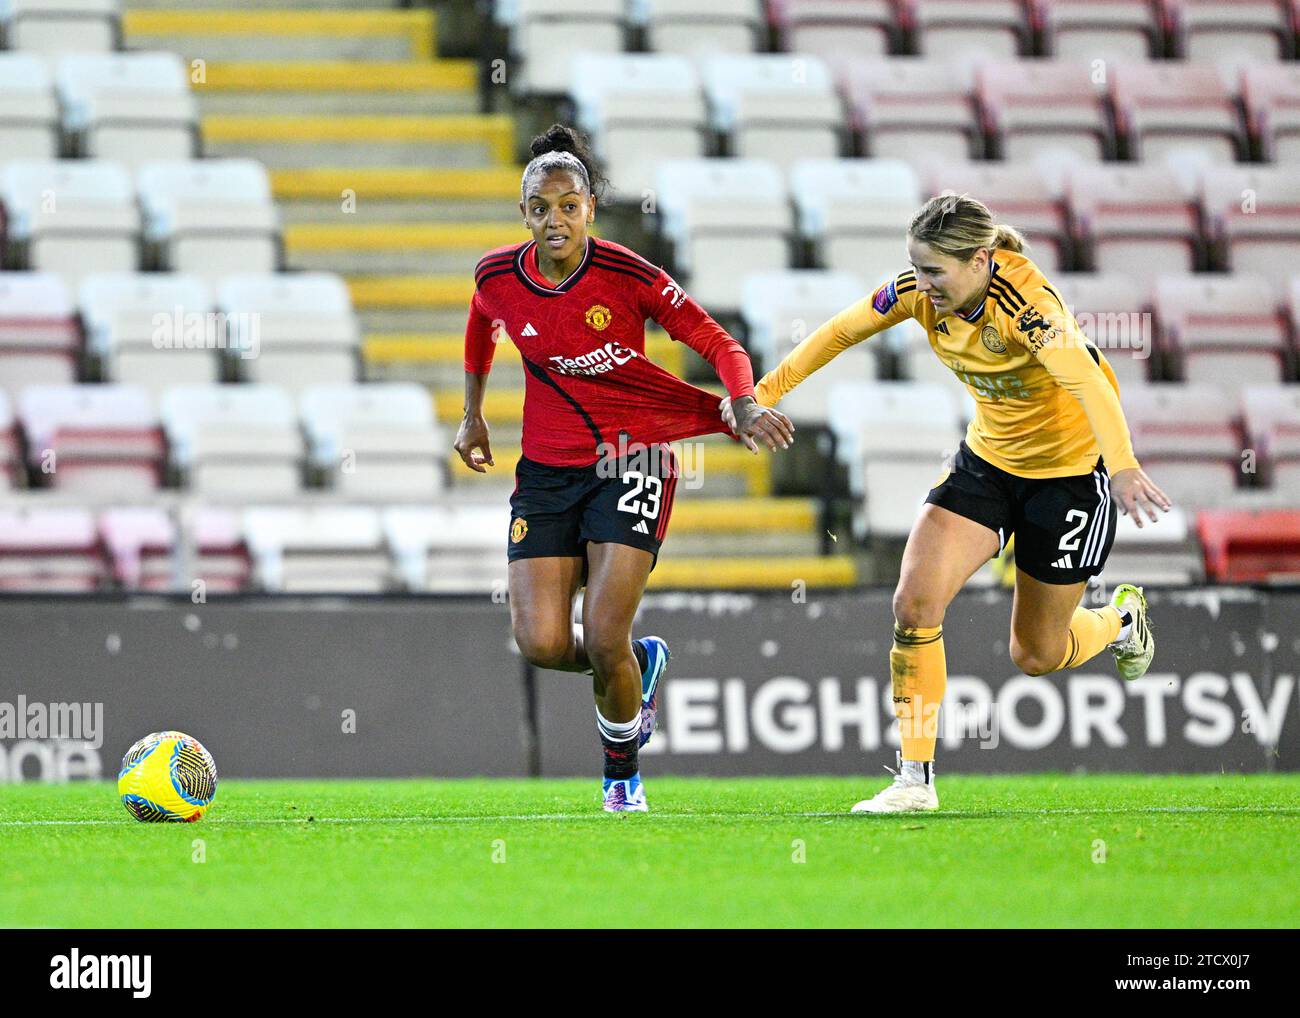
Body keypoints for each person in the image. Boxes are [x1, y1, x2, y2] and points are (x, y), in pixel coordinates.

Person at [725, 193, 1171, 813]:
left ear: (982, 260)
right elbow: (839, 332)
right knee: (913, 603)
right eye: (916, 267)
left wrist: (1122, 467)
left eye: (935, 270)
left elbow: (1087, 380)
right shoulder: (916, 292)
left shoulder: (1028, 306)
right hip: (986, 465)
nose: (922, 283)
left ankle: (1122, 622)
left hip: (1070, 477)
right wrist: (760, 395)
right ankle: (914, 781)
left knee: (1036, 654)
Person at [456, 124, 794, 813]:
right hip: (547, 473)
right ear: (525, 213)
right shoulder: (496, 275)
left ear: (590, 209)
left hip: (631, 458)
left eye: (569, 206)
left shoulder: (628, 275)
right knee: (543, 641)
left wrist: (743, 400)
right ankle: (639, 667)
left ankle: (621, 781)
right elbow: (481, 322)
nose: (556, 220)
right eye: (542, 208)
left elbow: (716, 340)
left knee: (605, 630)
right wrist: (473, 412)